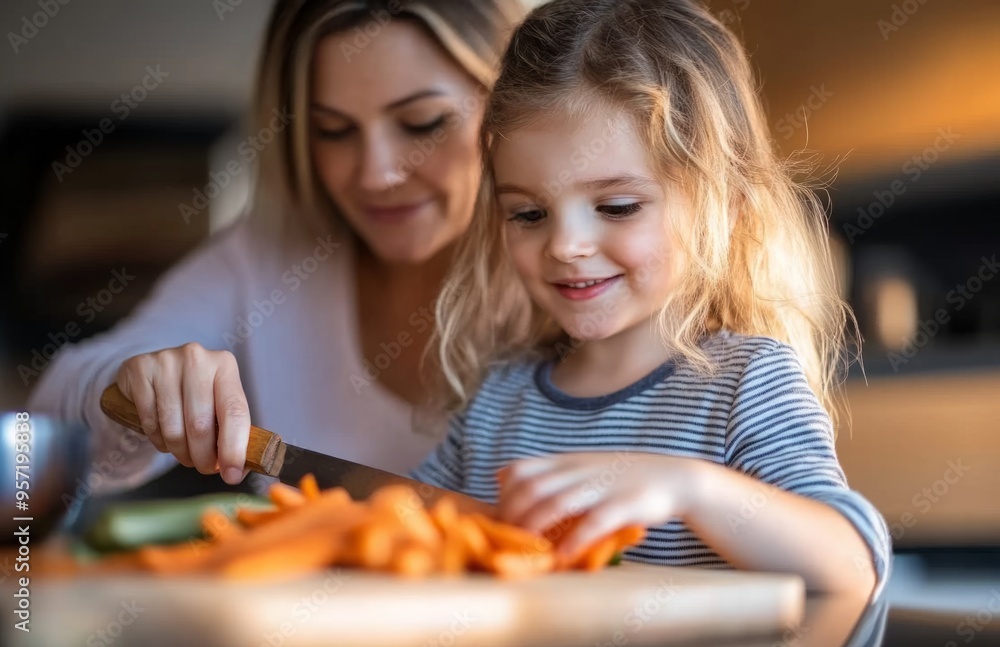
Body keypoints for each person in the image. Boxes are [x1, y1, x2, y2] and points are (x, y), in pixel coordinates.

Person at [411, 0, 891, 594]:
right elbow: (413, 529)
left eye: (617, 207)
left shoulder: (743, 383)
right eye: (528, 213)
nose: (565, 245)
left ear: (726, 204)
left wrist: (690, 488)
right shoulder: (498, 400)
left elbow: (851, 562)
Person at [27, 0, 525, 494]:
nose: (376, 175)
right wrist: (136, 379)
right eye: (332, 130)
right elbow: (43, 425)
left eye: (422, 122)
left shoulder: (577, 264)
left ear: (515, 106)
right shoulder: (269, 257)